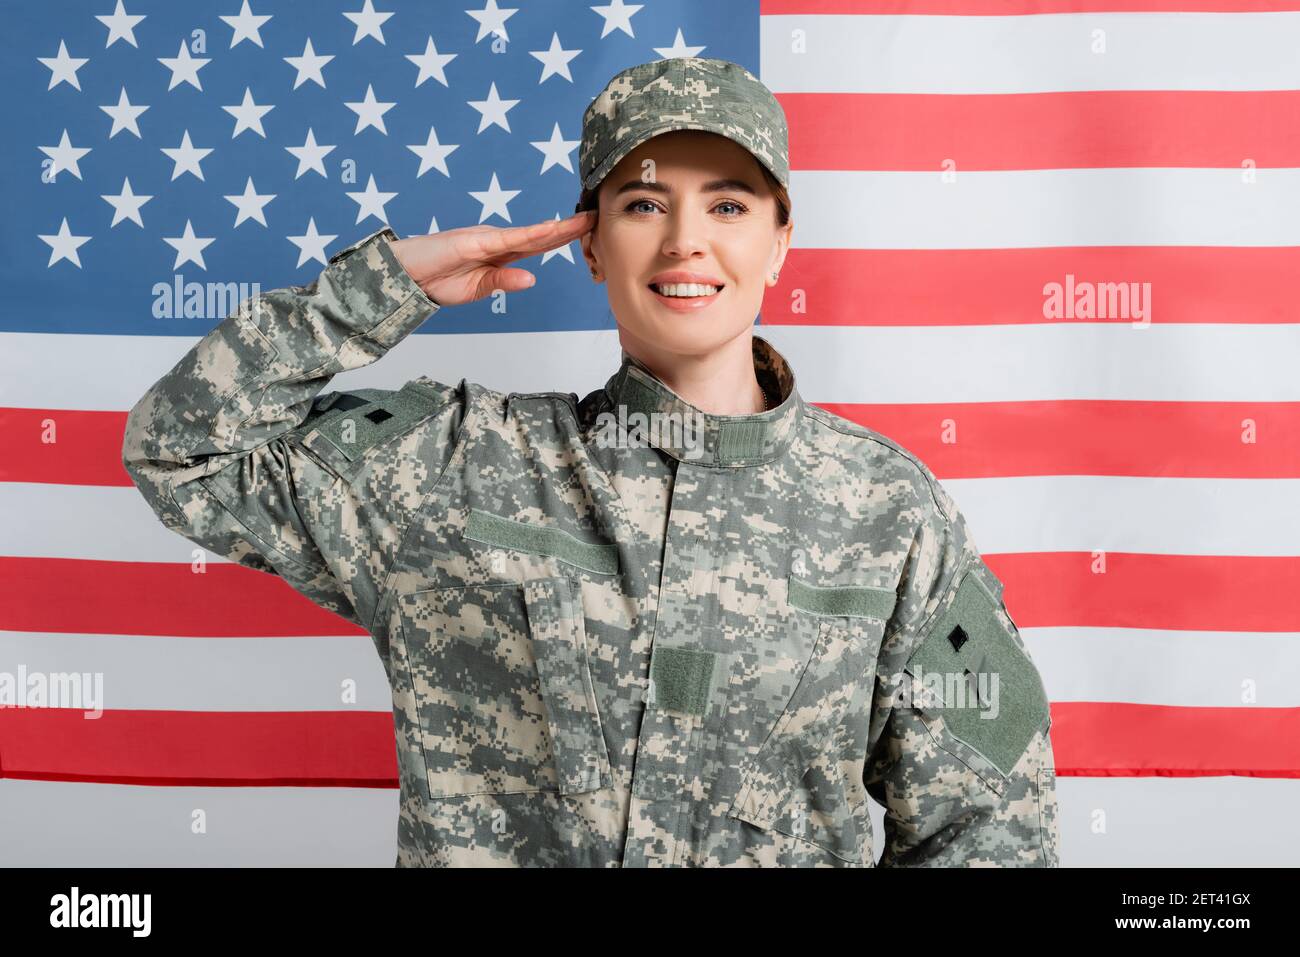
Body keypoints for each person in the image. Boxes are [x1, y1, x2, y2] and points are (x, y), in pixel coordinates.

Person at [122, 56, 1059, 867]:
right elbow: (182, 449)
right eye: (644, 203)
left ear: (780, 244)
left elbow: (987, 831)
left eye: (727, 205)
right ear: (592, 246)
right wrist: (384, 289)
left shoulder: (888, 512)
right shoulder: (453, 462)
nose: (686, 238)